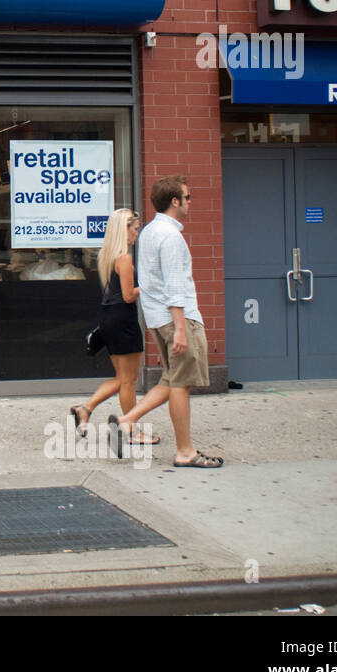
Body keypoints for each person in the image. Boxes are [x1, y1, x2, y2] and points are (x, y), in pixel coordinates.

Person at [110, 176, 223, 468]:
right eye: (187, 197)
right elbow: (174, 286)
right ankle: (185, 451)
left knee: (171, 379)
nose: (190, 202)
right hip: (176, 319)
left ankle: (127, 420)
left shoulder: (148, 232)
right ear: (175, 201)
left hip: (158, 319)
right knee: (181, 385)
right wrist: (182, 330)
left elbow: (148, 282)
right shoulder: (170, 236)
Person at [68, 209, 155, 444]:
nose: (137, 233)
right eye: (135, 228)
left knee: (121, 377)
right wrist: (150, 284)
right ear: (124, 229)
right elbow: (128, 295)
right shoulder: (124, 258)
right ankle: (131, 430)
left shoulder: (105, 255)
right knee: (128, 380)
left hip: (108, 317)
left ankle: (85, 409)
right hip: (123, 319)